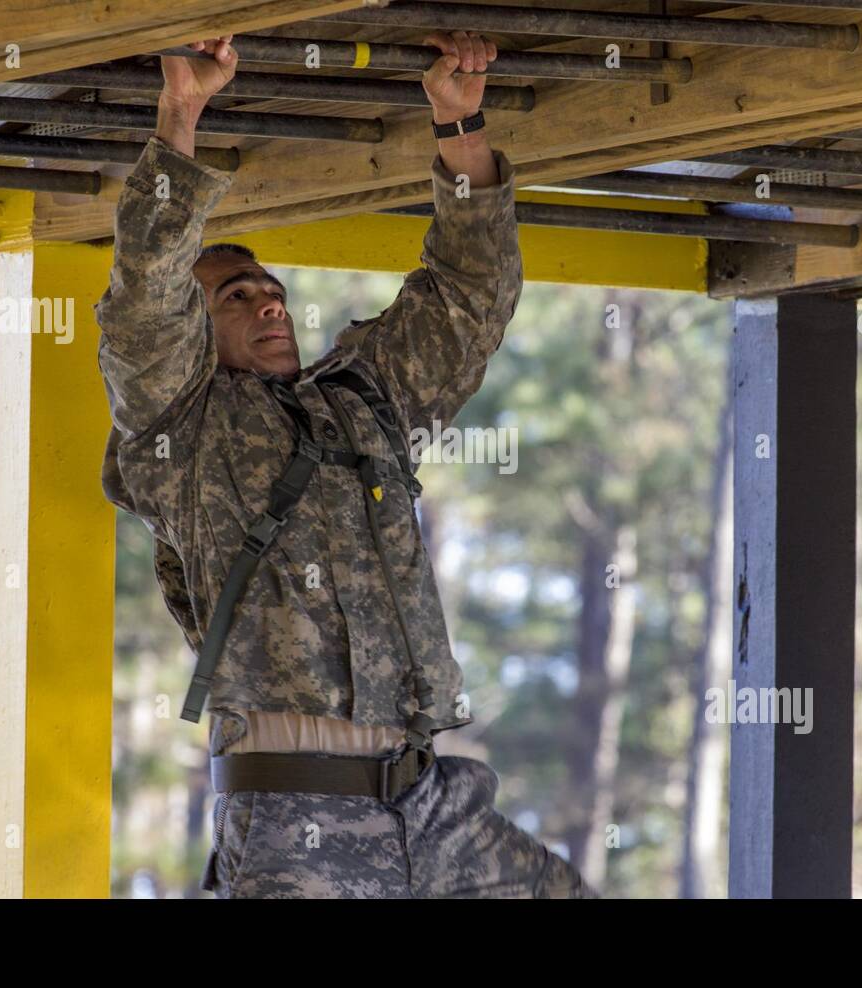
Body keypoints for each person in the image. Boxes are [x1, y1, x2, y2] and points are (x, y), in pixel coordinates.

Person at [95, 29, 596, 899]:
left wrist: (459, 125)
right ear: (196, 333)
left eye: (272, 289)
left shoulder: (364, 401)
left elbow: (472, 294)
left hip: (429, 801)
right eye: (237, 296)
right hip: (296, 817)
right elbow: (144, 297)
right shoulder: (183, 431)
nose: (270, 303)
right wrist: (181, 114)